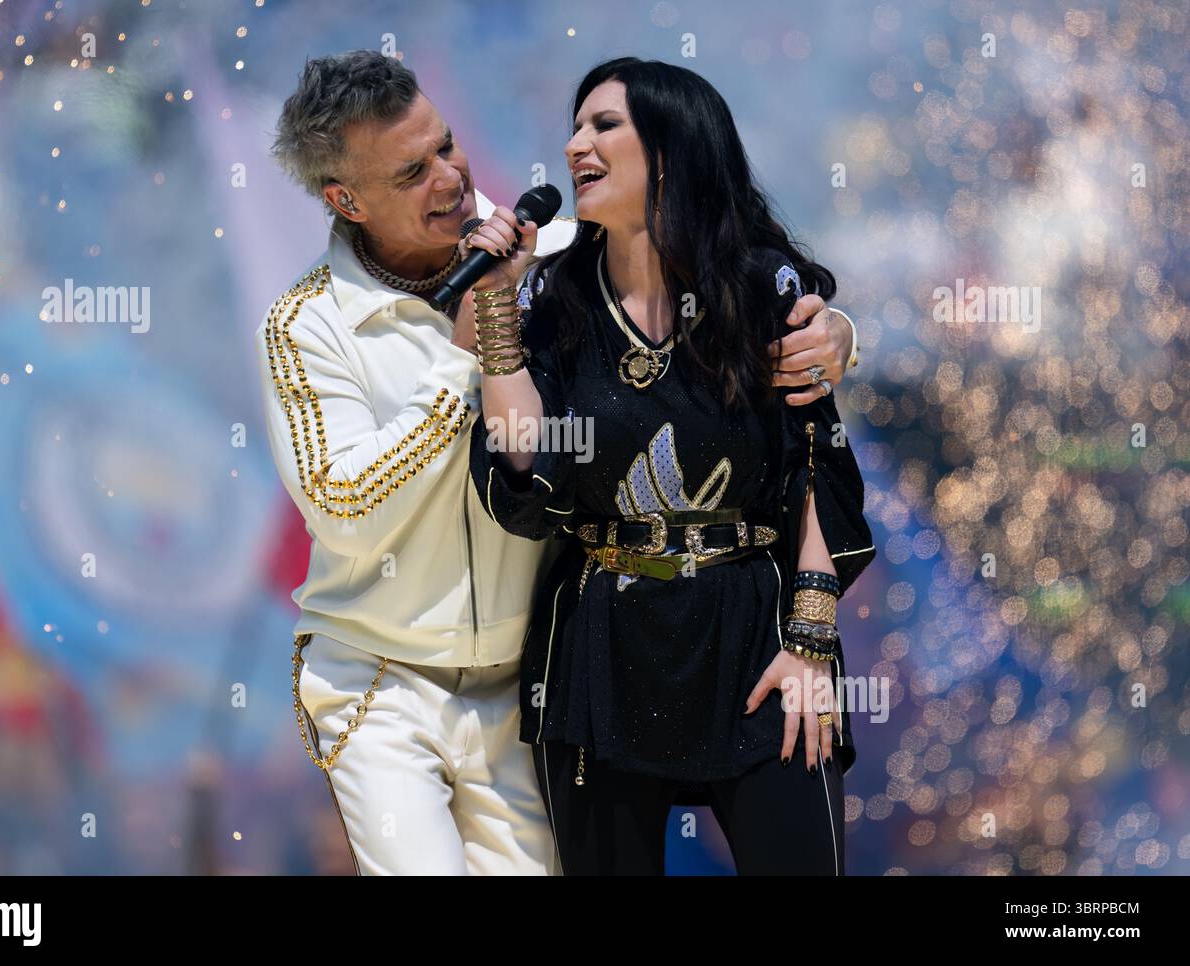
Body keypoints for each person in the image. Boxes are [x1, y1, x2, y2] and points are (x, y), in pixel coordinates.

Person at [258, 50, 861, 875]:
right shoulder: (309, 325)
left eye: (447, 147)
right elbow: (344, 507)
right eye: (412, 172)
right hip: (383, 679)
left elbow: (713, 268)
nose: (450, 179)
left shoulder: (550, 256)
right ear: (346, 199)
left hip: (522, 682)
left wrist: (836, 337)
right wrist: (463, 357)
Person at [466, 57, 876, 875]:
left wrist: (809, 646)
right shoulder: (559, 307)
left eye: (603, 125)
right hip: (600, 646)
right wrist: (498, 315)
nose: (577, 143)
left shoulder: (762, 289)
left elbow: (813, 473)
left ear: (673, 147)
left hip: (758, 634)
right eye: (575, 128)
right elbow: (525, 479)